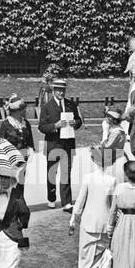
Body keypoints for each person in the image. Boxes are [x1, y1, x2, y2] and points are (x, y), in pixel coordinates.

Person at [38, 78, 83, 211]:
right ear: (53, 91)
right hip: (53, 144)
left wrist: (76, 123)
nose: (61, 93)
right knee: (52, 172)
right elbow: (41, 127)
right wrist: (55, 126)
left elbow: (79, 120)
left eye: (63, 90)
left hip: (68, 144)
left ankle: (66, 202)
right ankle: (51, 198)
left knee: (66, 173)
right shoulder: (47, 107)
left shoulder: (71, 105)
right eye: (58, 90)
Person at [0, 98, 35, 193]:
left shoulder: (26, 123)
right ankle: (7, 205)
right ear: (15, 112)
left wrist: (30, 150)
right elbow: (1, 143)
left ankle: (19, 204)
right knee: (8, 184)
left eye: (23, 109)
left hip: (22, 160)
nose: (24, 111)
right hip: (9, 161)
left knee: (20, 184)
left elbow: (30, 141)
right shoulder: (6, 124)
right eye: (21, 110)